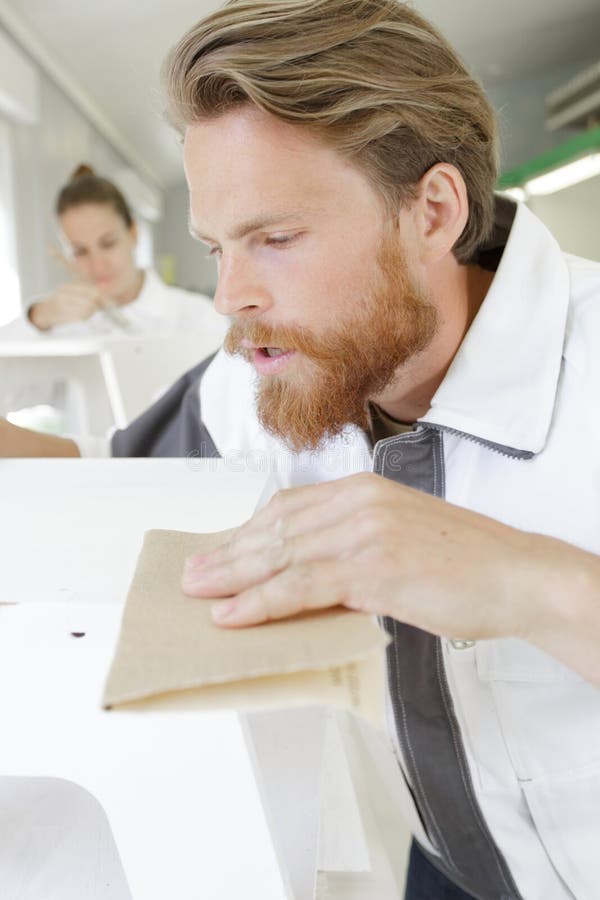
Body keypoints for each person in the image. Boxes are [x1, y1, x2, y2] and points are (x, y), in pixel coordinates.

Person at [1, 3, 599, 897]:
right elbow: (108, 488)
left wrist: (527, 581)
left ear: (431, 211)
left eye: (275, 240)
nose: (229, 296)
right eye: (216, 248)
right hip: (439, 865)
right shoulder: (257, 377)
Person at [23, 164, 220, 337]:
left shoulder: (196, 317)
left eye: (108, 244)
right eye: (80, 251)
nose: (98, 265)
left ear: (133, 232)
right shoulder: (59, 325)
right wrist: (39, 315)